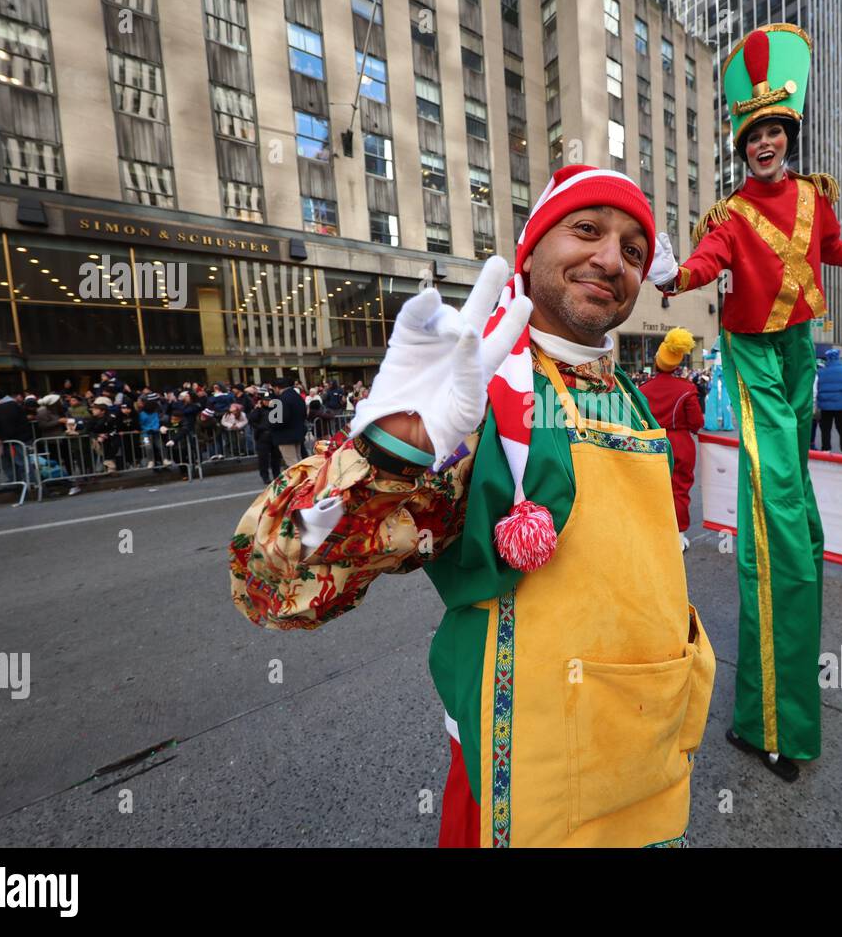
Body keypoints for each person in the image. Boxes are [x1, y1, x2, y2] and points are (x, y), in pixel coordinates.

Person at [231, 164, 715, 848]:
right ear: (532, 248)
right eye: (588, 229)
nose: (611, 258)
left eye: (634, 251)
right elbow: (274, 583)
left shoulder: (631, 396)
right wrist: (391, 450)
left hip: (651, 768)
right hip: (529, 782)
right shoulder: (487, 397)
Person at [653, 24, 842, 779]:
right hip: (752, 357)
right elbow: (704, 265)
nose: (765, 143)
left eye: (775, 129)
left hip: (800, 354)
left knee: (794, 518)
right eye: (754, 133)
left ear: (789, 134)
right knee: (778, 516)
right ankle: (772, 722)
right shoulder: (727, 216)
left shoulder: (817, 200)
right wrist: (669, 277)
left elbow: (836, 252)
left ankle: (776, 715)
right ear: (743, 144)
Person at [639, 328, 705, 550]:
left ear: (657, 362)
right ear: (677, 364)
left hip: (651, 443)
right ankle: (677, 537)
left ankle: (653, 533)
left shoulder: (643, 389)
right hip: (680, 444)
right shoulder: (687, 389)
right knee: (679, 490)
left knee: (653, 489)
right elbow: (696, 423)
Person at [267, 376, 307, 469]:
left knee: (292, 463)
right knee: (298, 460)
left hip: (285, 435)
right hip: (297, 432)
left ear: (277, 387)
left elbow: (278, 420)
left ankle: (298, 482)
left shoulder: (282, 399)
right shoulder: (298, 397)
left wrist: (271, 425)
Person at [247, 387, 282, 485]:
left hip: (274, 436)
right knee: (263, 459)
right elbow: (252, 420)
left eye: (269, 400)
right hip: (263, 436)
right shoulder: (259, 410)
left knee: (276, 458)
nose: (267, 402)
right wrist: (260, 427)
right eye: (265, 400)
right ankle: (265, 477)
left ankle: (277, 475)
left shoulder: (276, 409)